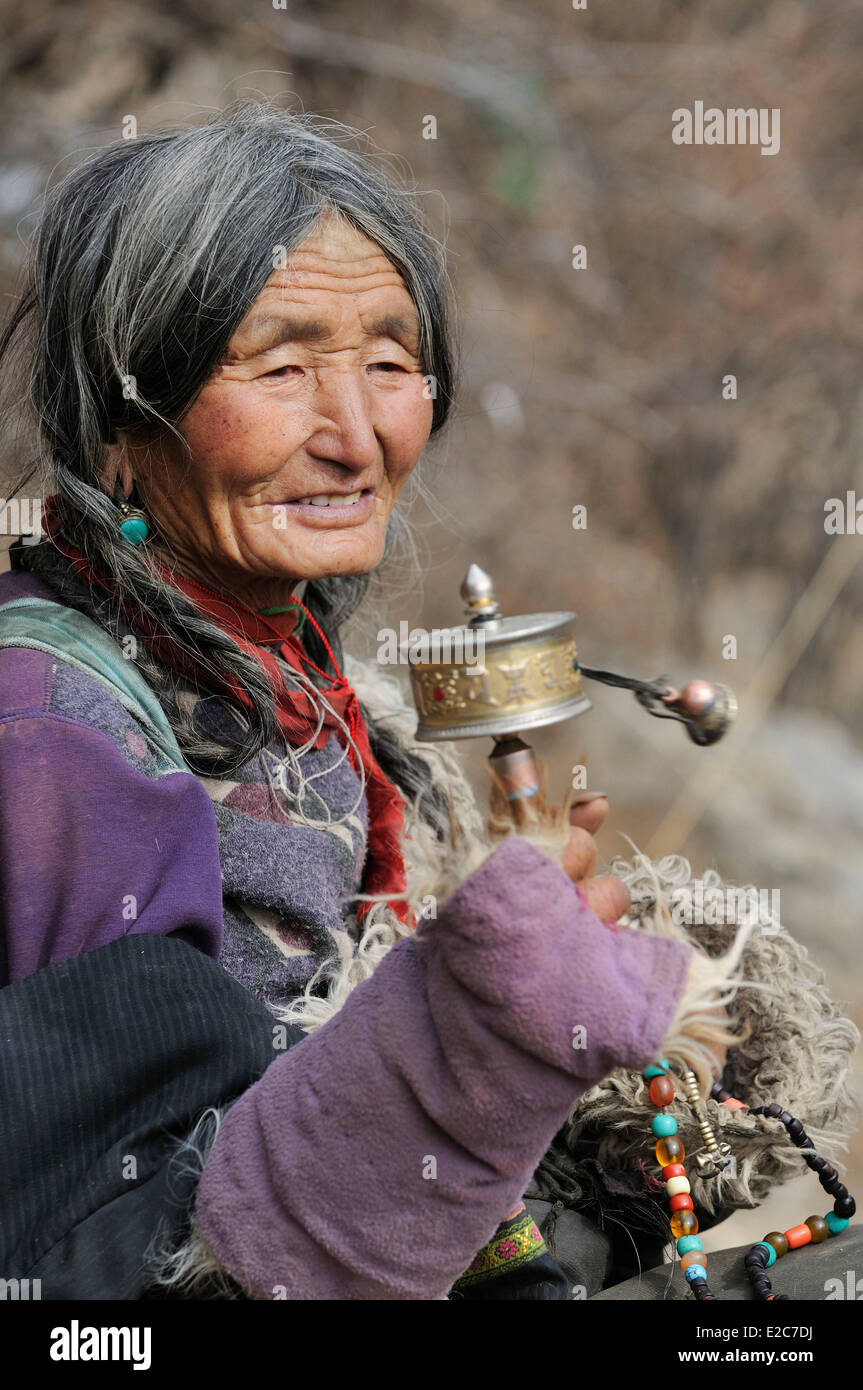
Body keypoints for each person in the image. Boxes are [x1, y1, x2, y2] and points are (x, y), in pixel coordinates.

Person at [0, 103, 850, 1302]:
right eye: (282, 366)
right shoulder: (52, 737)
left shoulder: (315, 700)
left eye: (391, 365)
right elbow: (106, 1269)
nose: (356, 434)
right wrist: (474, 1028)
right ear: (121, 422)